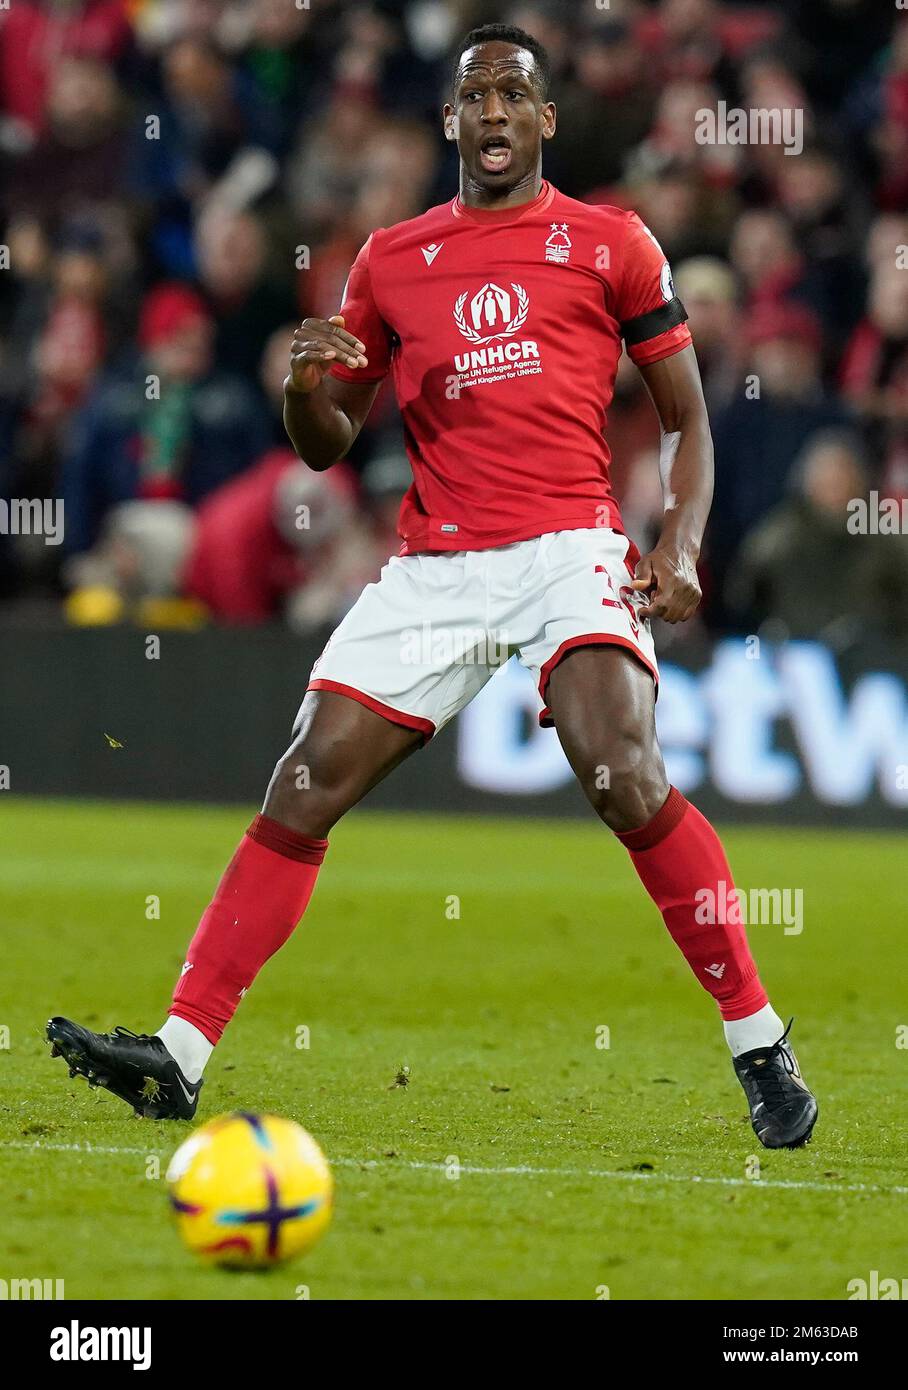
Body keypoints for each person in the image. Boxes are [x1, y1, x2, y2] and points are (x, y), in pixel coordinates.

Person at [47, 24, 817, 1152]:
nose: (494, 113)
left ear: (543, 119)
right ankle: (180, 1054)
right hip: (437, 562)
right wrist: (307, 389)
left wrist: (680, 541)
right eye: (474, 97)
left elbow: (685, 418)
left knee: (622, 772)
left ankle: (755, 1039)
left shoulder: (611, 242)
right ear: (448, 122)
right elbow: (326, 441)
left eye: (514, 94)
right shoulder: (390, 258)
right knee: (303, 778)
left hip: (568, 546)